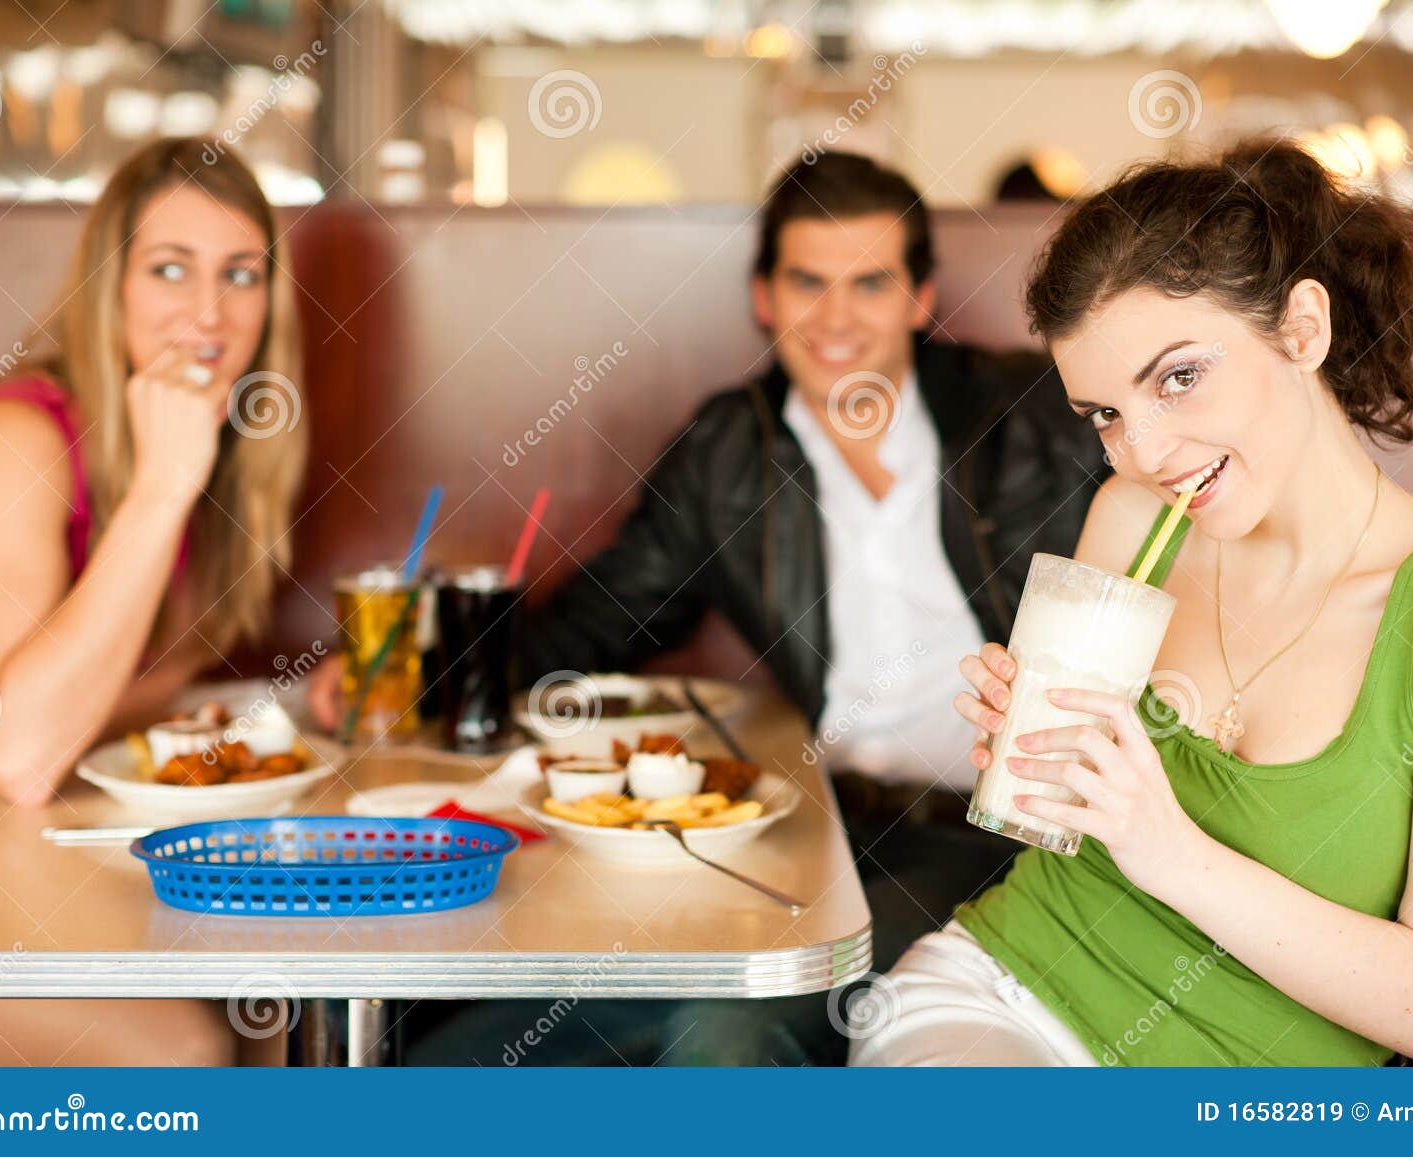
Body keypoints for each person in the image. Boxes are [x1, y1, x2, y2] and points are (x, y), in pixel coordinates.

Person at [378, 151, 1106, 1066]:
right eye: (808, 282)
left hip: (988, 834)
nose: (835, 318)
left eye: (869, 283)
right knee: (470, 1033)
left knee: (730, 1019)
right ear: (764, 297)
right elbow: (603, 619)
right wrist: (422, 670)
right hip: (806, 821)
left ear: (921, 298)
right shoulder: (731, 449)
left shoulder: (1037, 412)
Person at [853, 138, 1413, 1067]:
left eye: (1178, 377)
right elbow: (1055, 794)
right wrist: (1037, 753)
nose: (1146, 453)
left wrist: (1168, 850)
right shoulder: (1138, 520)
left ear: (1302, 330)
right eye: (1106, 414)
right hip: (1001, 997)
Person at [0, 136, 307, 1064]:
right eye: (170, 269)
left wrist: (288, 700)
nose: (209, 314)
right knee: (182, 1051)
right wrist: (166, 485)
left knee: (265, 1012)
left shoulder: (185, 449)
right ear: (109, 286)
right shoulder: (22, 438)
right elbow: (22, 754)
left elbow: (115, 690)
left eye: (241, 275)